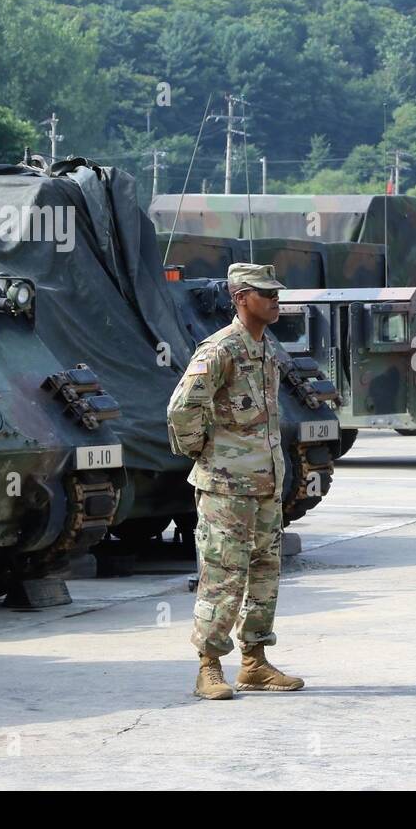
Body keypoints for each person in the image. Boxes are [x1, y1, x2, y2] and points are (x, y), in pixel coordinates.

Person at [167, 263, 305, 700]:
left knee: (265, 575)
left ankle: (255, 662)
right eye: (266, 294)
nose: (275, 301)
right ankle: (208, 666)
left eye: (276, 293)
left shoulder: (266, 348)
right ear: (242, 298)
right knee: (223, 578)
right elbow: (181, 408)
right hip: (226, 489)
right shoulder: (221, 349)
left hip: (265, 485)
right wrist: (202, 451)